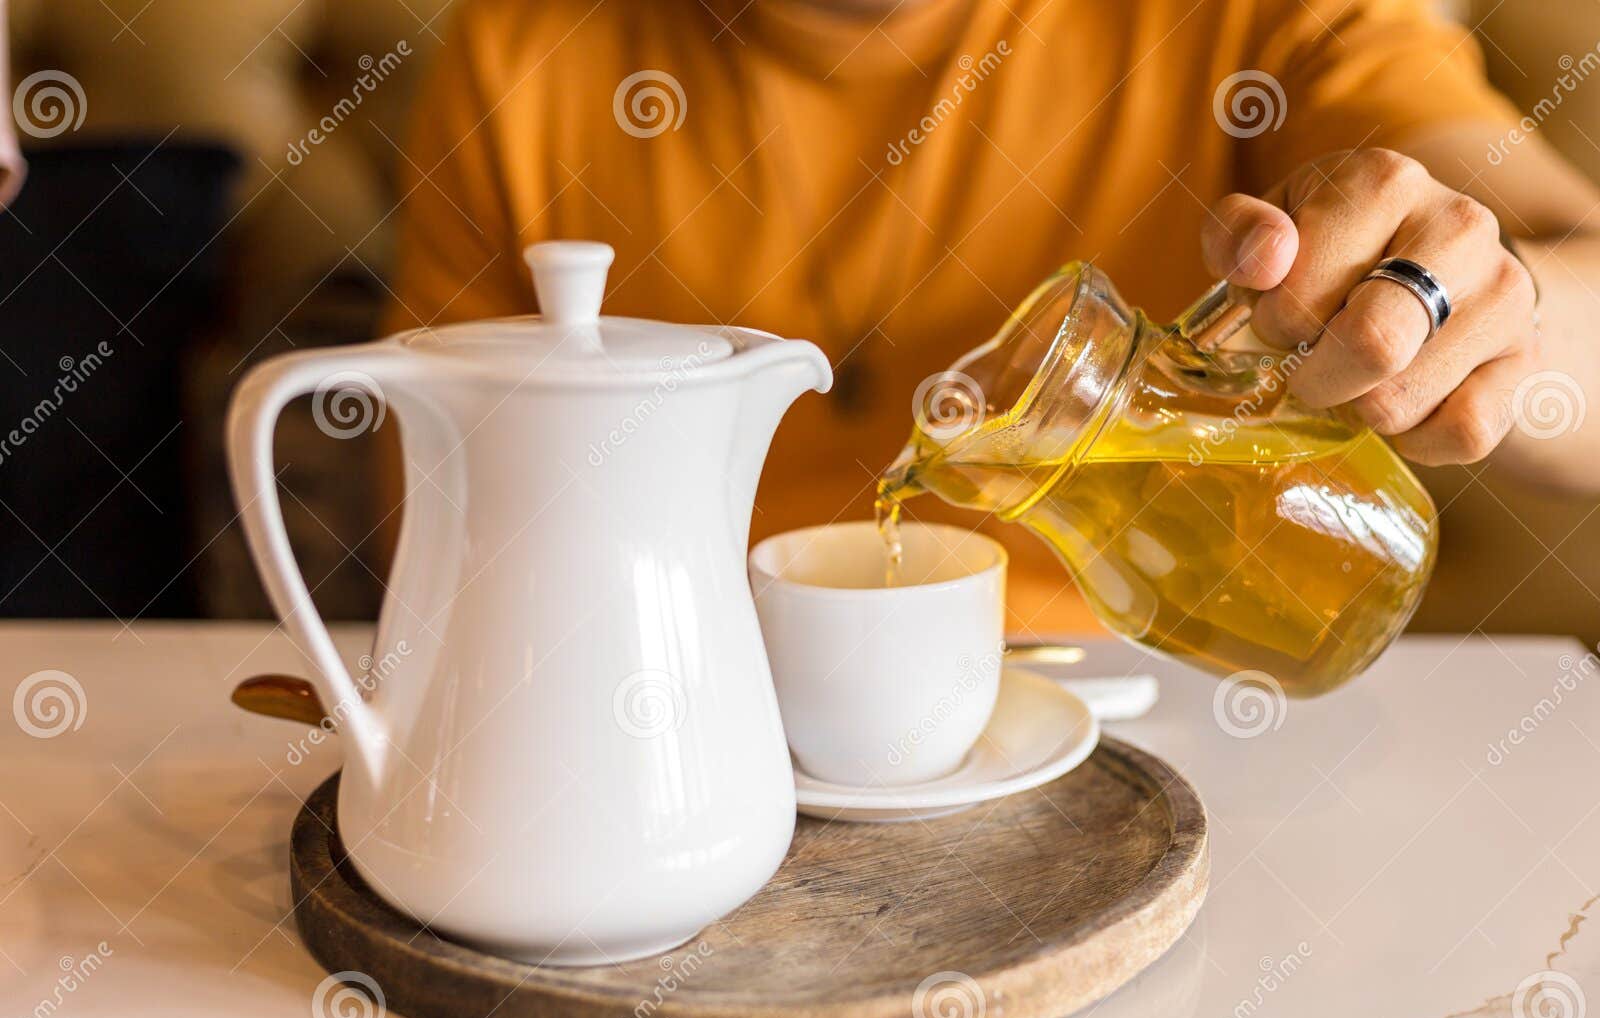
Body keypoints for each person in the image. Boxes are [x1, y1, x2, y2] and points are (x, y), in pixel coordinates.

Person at [388, 0, 1600, 634]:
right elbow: (438, 532)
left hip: (1148, 722)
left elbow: (1557, 267)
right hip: (678, 702)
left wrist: (1498, 313)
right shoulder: (520, 50)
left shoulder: (1253, 18)